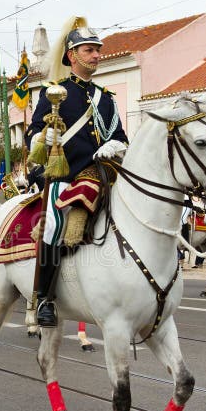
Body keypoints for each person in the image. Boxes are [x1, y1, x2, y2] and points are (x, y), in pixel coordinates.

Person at [24, 16, 129, 327]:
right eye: (88, 50)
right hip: (65, 176)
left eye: (97, 49)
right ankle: (44, 297)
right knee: (54, 225)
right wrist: (44, 139)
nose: (96, 55)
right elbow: (32, 134)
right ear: (71, 56)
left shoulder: (106, 98)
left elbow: (120, 136)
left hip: (105, 173)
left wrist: (116, 146)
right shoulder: (54, 93)